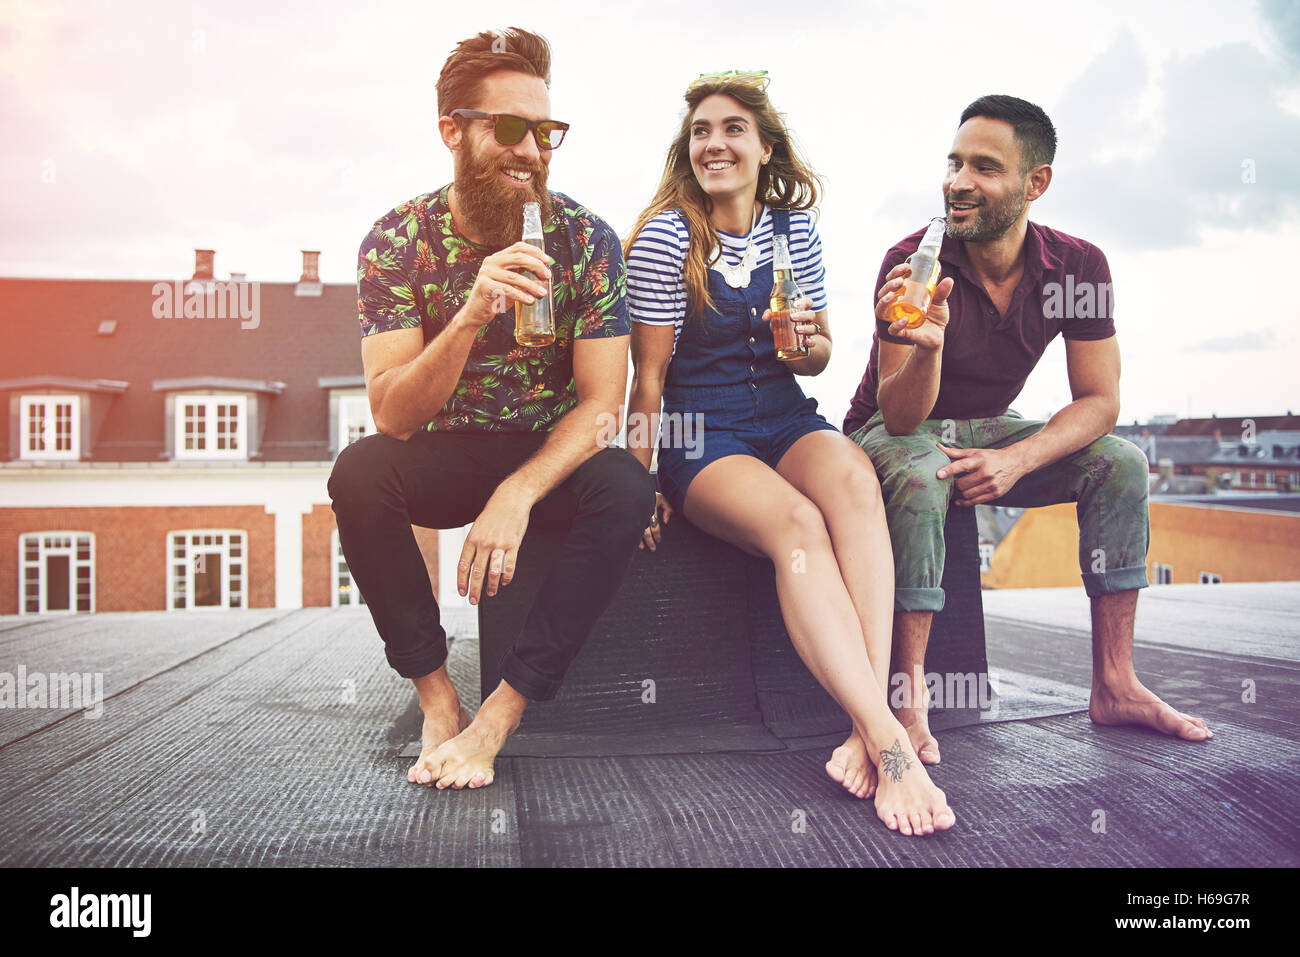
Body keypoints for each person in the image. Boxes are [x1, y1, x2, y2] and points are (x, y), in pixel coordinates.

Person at [625, 71, 955, 836]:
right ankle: (890, 740)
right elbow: (649, 378)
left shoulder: (793, 229)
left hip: (784, 416)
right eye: (702, 130)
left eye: (733, 128)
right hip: (703, 436)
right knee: (799, 526)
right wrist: (638, 477)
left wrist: (807, 346)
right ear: (689, 149)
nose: (715, 142)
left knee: (855, 478)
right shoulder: (667, 238)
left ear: (763, 146)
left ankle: (864, 727)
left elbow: (818, 356)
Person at [329, 27, 653, 791]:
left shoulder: (587, 240)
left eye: (546, 133)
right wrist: (471, 315)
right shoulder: (396, 243)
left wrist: (519, 491)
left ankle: (500, 714)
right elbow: (393, 415)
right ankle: (438, 700)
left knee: (627, 488)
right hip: (445, 448)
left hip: (544, 451)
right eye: (510, 129)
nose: (532, 152)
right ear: (453, 130)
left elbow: (605, 402)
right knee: (359, 472)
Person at [844, 94, 1213, 766]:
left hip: (992, 429)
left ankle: (1115, 683)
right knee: (928, 472)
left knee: (1122, 462)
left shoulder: (1079, 266)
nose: (958, 181)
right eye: (953, 162)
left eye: (984, 167)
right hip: (891, 428)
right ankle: (907, 701)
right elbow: (899, 417)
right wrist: (927, 347)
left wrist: (1018, 459)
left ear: (1035, 183)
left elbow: (1101, 400)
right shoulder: (911, 260)